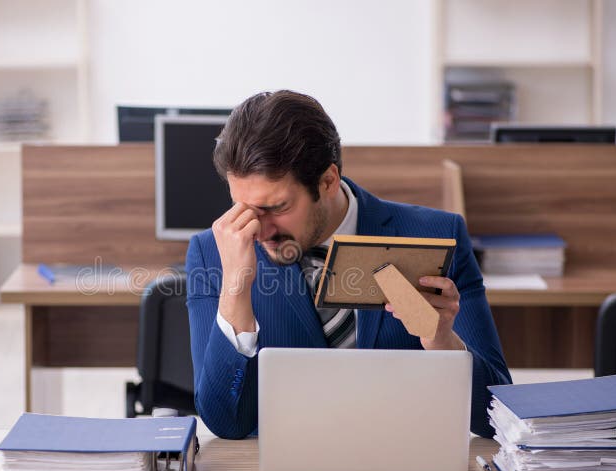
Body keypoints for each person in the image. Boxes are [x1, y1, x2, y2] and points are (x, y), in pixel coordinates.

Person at [186, 90, 511, 440]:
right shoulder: (213, 253)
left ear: (328, 181)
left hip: (408, 469)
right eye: (244, 206)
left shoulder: (437, 235)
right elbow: (226, 424)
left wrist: (442, 342)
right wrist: (236, 288)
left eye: (277, 207)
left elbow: (493, 416)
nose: (259, 229)